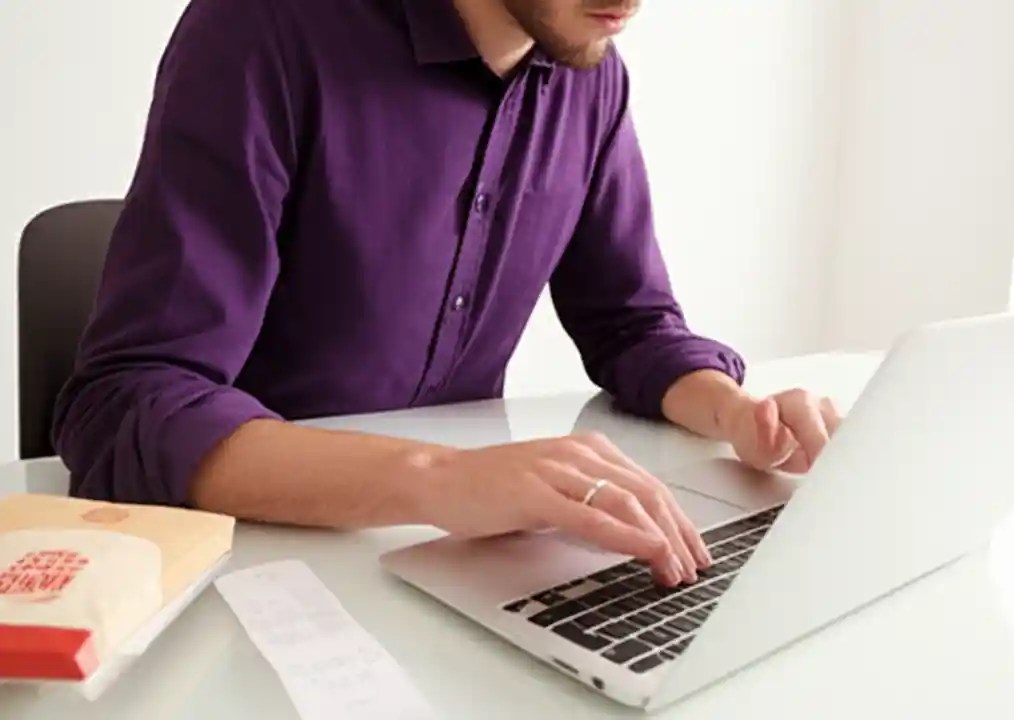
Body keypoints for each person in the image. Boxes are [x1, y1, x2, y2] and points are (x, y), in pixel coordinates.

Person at [52, 0, 840, 587]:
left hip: (454, 559)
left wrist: (737, 412)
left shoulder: (589, 79)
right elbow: (126, 404)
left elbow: (632, 324)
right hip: (250, 566)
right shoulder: (265, 29)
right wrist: (444, 479)